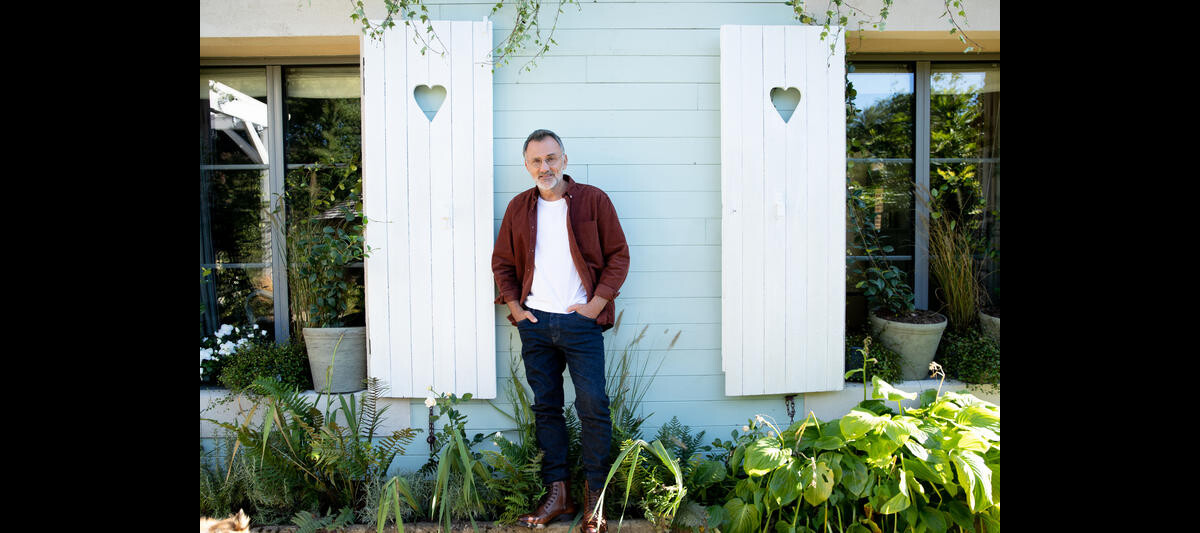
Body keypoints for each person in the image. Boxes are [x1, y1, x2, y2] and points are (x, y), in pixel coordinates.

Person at [492, 129, 630, 533]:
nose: (544, 167)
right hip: (535, 324)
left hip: (580, 324)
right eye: (536, 161)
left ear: (564, 161)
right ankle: (559, 496)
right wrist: (516, 308)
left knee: (592, 407)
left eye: (551, 158)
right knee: (546, 409)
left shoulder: (593, 201)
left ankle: (595, 498)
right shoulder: (519, 208)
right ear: (526, 165)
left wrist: (594, 307)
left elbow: (619, 257)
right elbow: (502, 263)